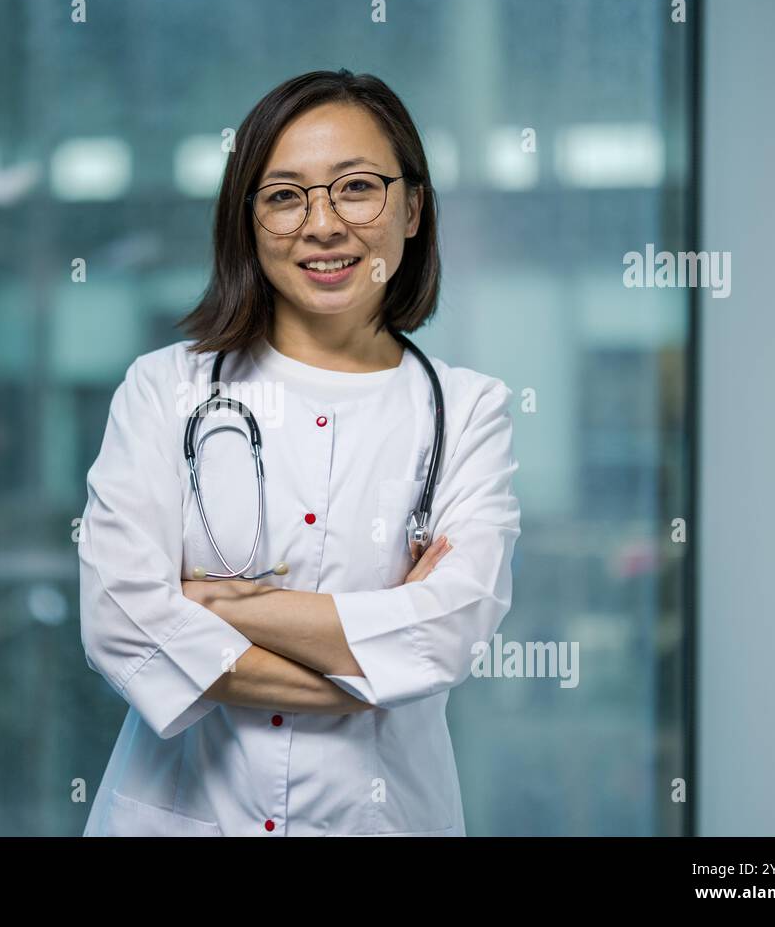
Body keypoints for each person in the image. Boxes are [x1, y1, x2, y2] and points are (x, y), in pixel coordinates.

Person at [78, 69, 520, 836]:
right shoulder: (162, 390)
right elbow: (118, 619)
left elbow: (450, 627)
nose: (322, 225)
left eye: (356, 188)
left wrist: (214, 601)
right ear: (247, 221)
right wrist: (373, 666)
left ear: (412, 208)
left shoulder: (470, 410)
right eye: (285, 195)